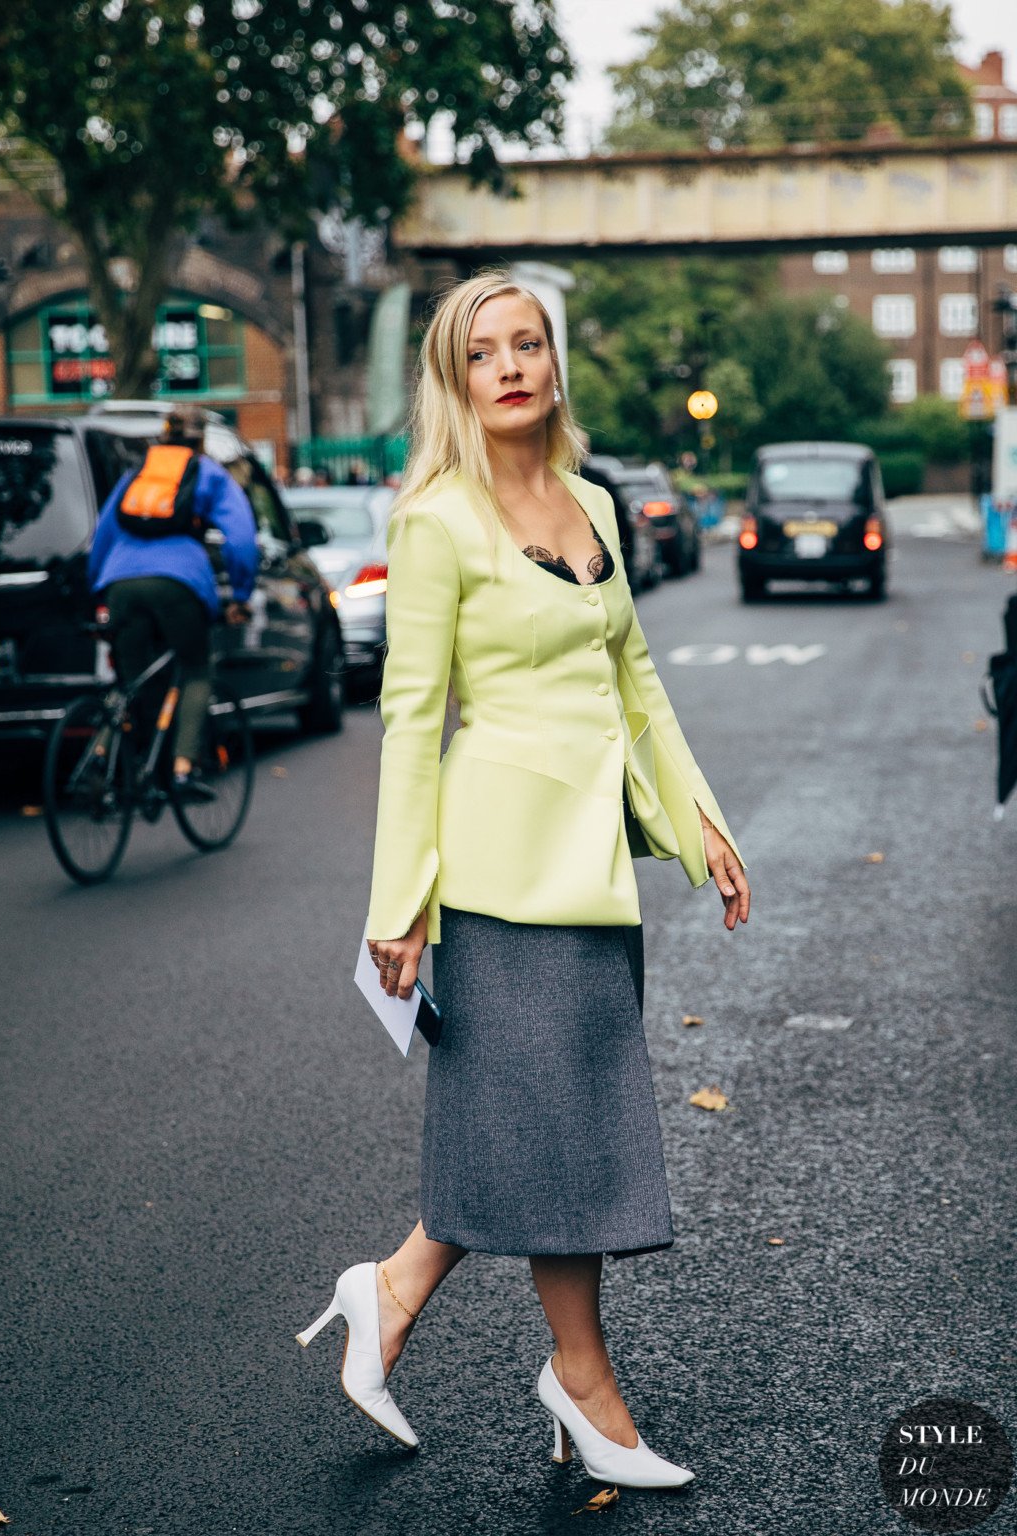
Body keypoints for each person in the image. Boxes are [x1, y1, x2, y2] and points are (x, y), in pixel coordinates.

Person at [295, 272, 751, 1489]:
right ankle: (582, 1385)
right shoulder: (435, 521)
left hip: (595, 868)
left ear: (553, 363)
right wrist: (399, 904)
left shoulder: (592, 499)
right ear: (454, 380)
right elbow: (410, 723)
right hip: (497, 875)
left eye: (527, 343)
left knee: (548, 1120)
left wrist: (699, 819)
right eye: (482, 351)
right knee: (558, 1123)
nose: (508, 366)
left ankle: (393, 1295)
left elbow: (635, 677)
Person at [86, 404, 259, 797]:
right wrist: (241, 594)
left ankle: (99, 756)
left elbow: (103, 535)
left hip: (119, 582)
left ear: (163, 436)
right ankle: (182, 769)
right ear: (200, 440)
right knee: (196, 668)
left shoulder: (138, 473)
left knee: (130, 680)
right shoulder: (208, 473)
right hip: (179, 583)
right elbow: (242, 539)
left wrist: (96, 589)